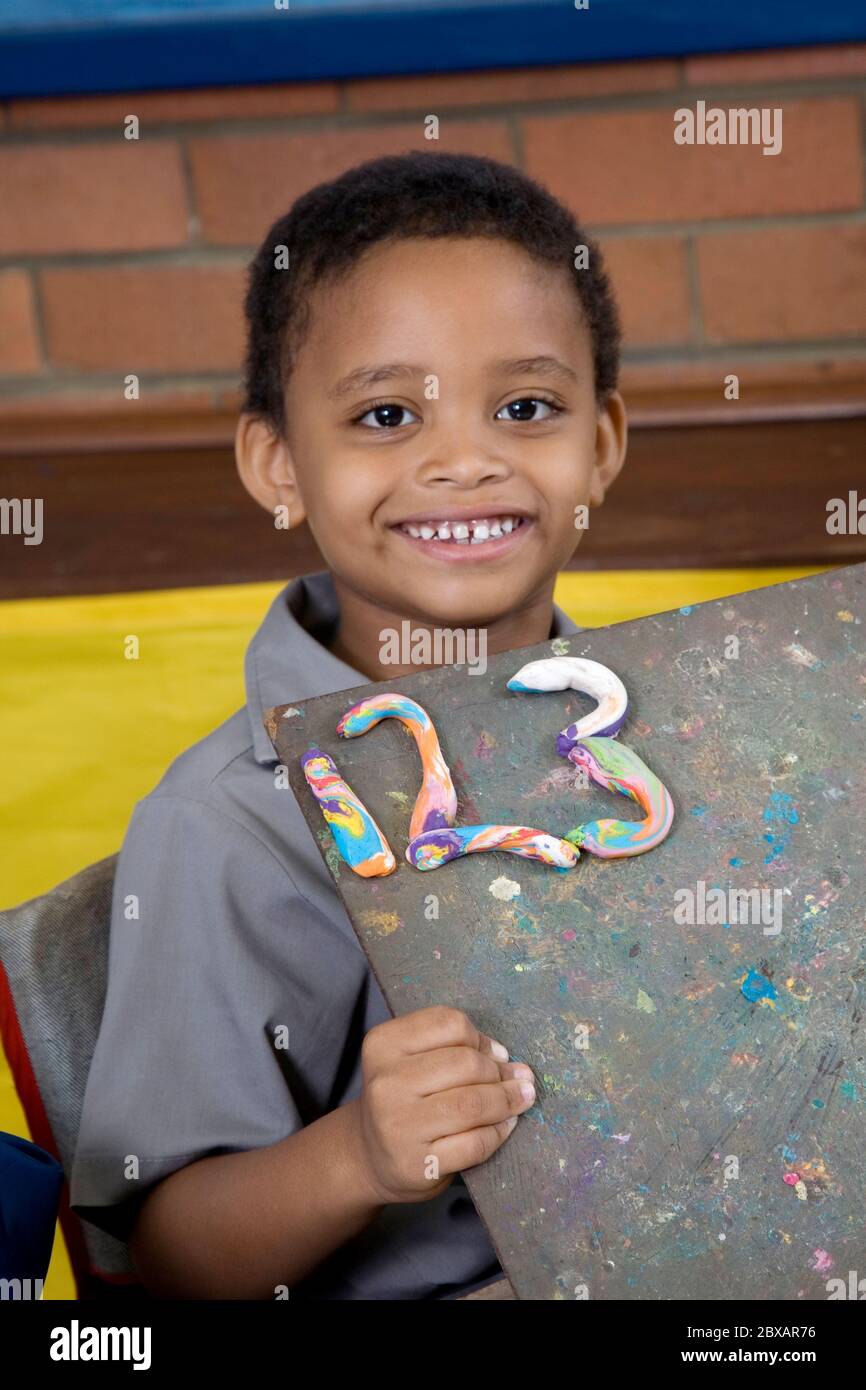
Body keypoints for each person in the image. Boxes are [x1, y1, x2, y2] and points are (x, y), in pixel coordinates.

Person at [69, 151, 627, 1298]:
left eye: (525, 407)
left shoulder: (682, 734)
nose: (463, 459)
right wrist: (360, 1153)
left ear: (602, 446)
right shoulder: (223, 827)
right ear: (278, 464)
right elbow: (168, 1268)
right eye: (385, 413)